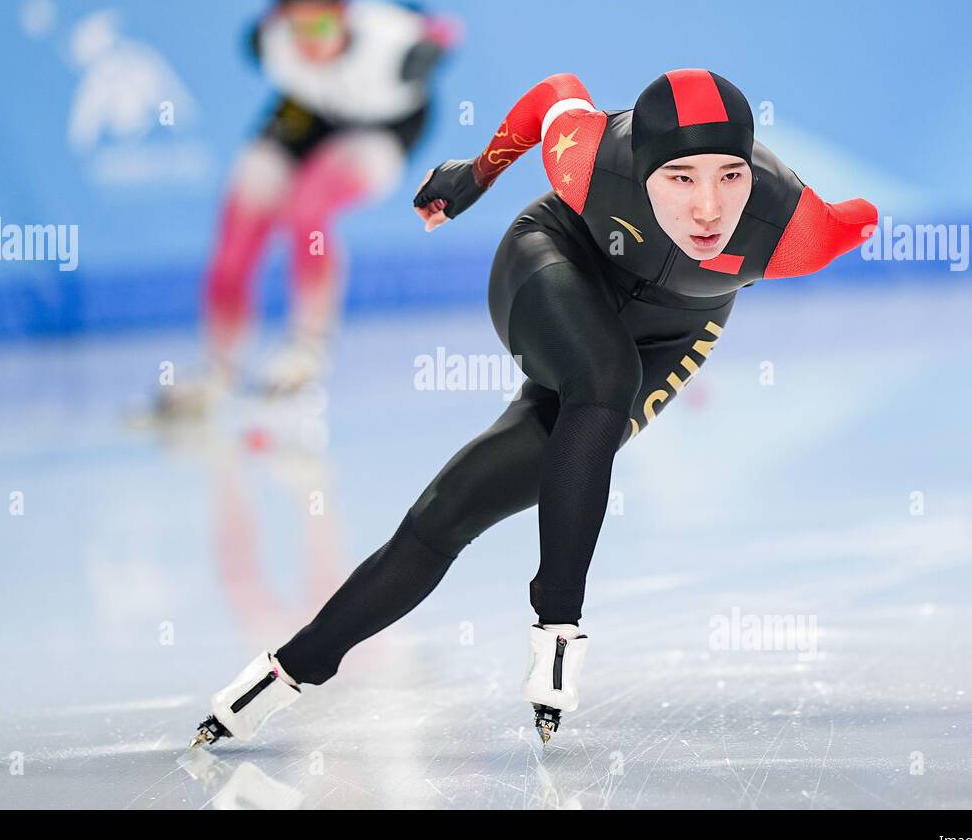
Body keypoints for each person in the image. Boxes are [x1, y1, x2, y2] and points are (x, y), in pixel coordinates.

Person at [188, 68, 878, 746]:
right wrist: (476, 175)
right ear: (639, 170)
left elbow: (856, 222)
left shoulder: (794, 227)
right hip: (552, 265)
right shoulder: (591, 158)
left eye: (730, 175)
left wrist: (862, 223)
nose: (708, 209)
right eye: (680, 178)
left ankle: (283, 672)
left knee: (452, 509)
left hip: (670, 336)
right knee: (606, 378)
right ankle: (558, 621)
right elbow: (556, 92)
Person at [160, 0, 458, 416]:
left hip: (385, 123)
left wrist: (434, 41)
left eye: (319, 28)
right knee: (242, 211)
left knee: (308, 207)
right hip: (311, 109)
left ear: (345, 16)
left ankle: (307, 347)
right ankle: (218, 366)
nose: (307, 41)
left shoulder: (393, 44)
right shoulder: (269, 42)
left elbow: (444, 29)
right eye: (295, 28)